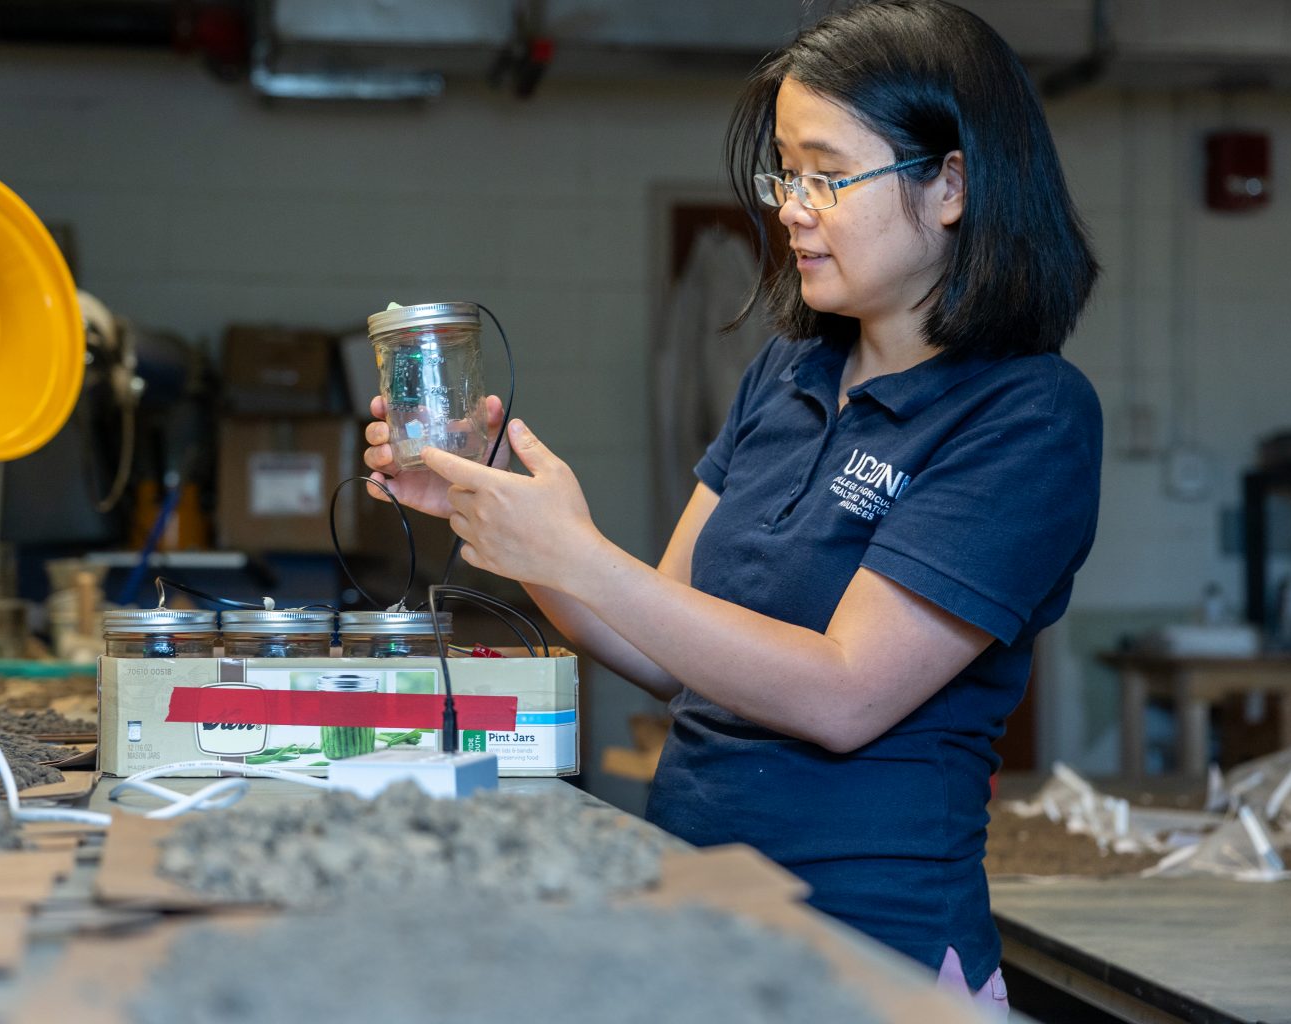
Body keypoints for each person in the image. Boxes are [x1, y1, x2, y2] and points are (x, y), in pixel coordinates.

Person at [362, 1, 1100, 1015]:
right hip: (706, 928)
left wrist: (577, 555)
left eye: (827, 175)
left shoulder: (1027, 415)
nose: (792, 208)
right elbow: (663, 647)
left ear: (951, 185)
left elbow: (845, 694)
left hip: (873, 957)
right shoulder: (785, 375)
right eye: (784, 174)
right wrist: (494, 511)